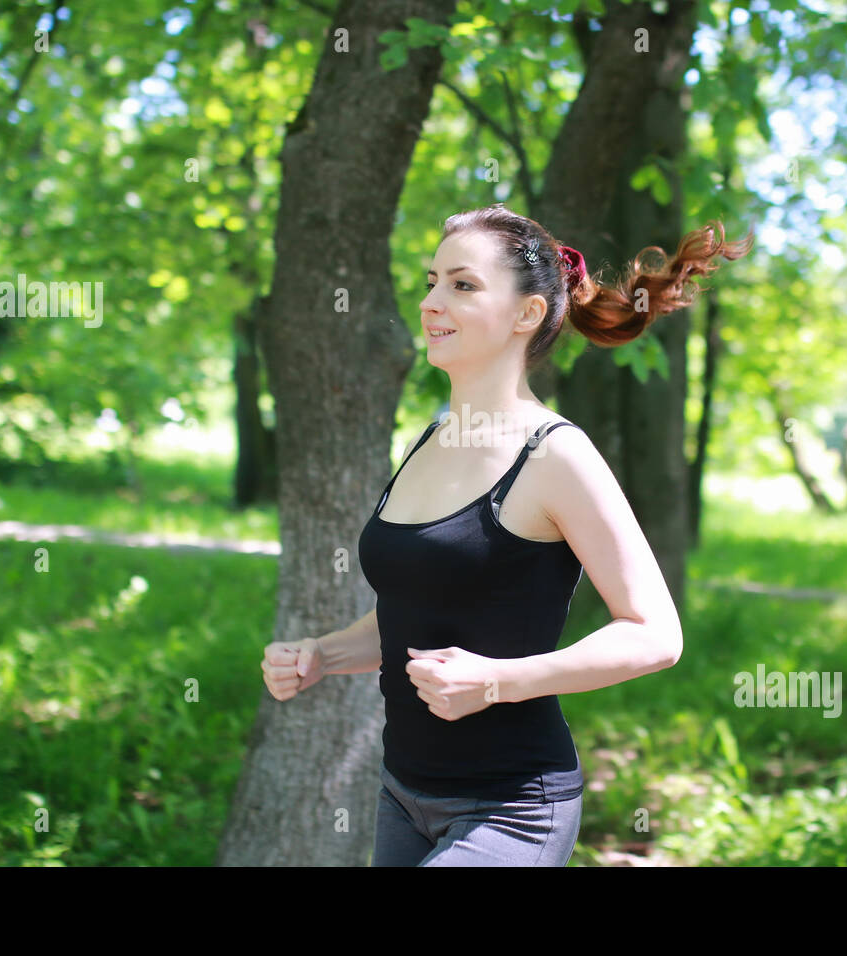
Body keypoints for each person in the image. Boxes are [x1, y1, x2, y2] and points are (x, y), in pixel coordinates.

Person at [261, 202, 752, 866]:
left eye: (462, 285)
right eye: (431, 281)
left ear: (527, 314)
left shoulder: (556, 456)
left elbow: (656, 635)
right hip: (402, 794)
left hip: (512, 809)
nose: (431, 302)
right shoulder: (431, 438)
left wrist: (498, 681)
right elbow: (412, 614)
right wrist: (322, 654)